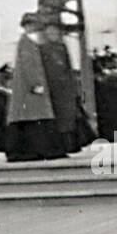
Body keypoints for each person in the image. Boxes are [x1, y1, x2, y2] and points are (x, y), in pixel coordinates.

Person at [5, 12, 66, 161]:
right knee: (37, 118)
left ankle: (29, 151)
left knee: (29, 119)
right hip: (31, 91)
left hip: (27, 91)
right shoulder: (28, 44)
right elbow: (30, 66)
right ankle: (43, 150)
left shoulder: (27, 42)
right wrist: (36, 85)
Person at [39, 19, 80, 153]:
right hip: (53, 86)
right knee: (58, 117)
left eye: (55, 31)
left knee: (68, 117)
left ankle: (70, 144)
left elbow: (68, 67)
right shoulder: (43, 48)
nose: (53, 33)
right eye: (50, 31)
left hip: (65, 87)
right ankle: (62, 145)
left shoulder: (62, 47)